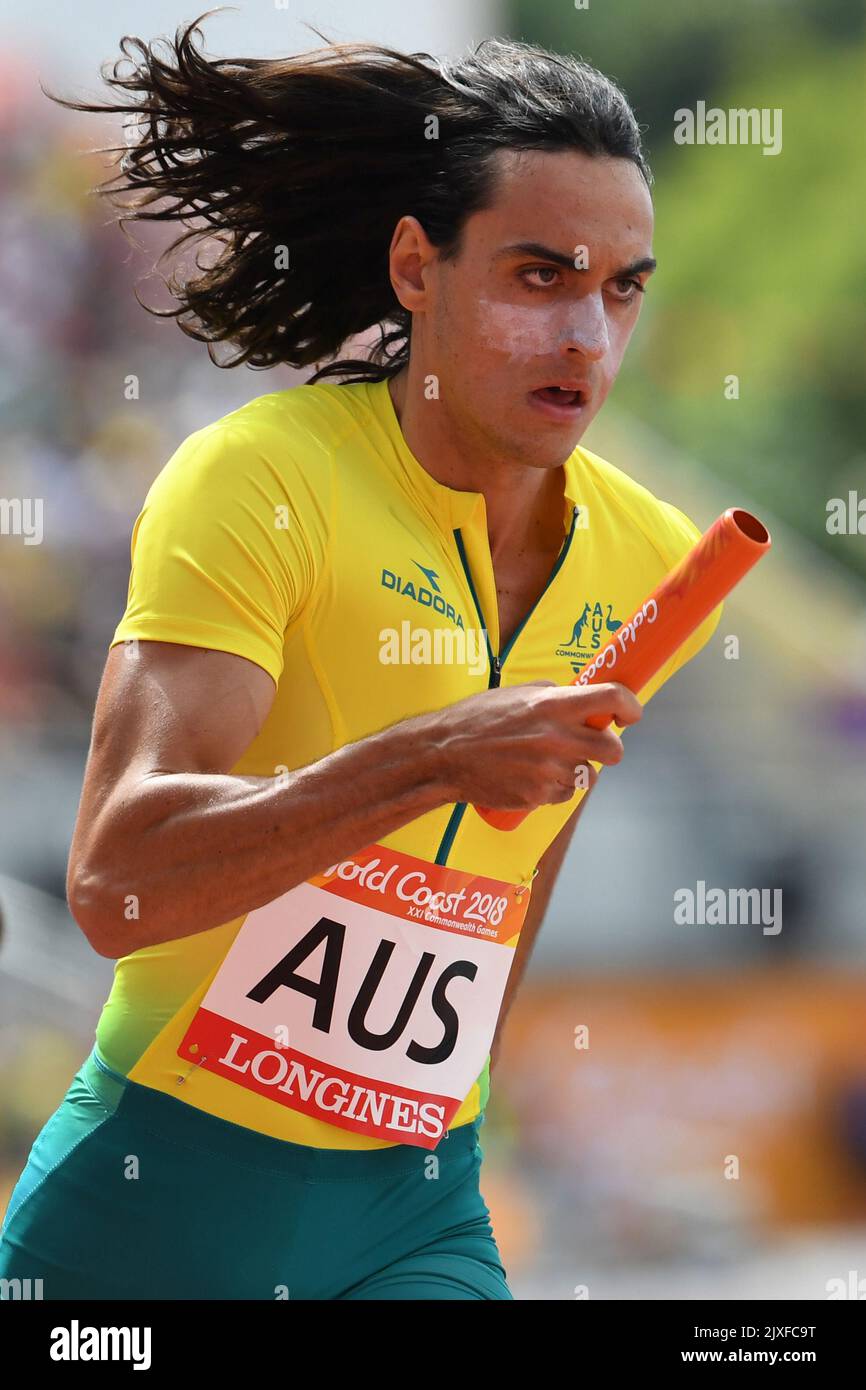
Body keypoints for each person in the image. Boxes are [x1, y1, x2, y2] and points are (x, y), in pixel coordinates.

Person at [0, 18, 721, 1300]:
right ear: (413, 268)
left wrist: (442, 1110)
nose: (587, 341)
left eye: (622, 287)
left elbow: (522, 861)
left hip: (414, 1202)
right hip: (155, 1205)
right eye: (538, 277)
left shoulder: (655, 560)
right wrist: (429, 754)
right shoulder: (261, 480)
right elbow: (116, 885)